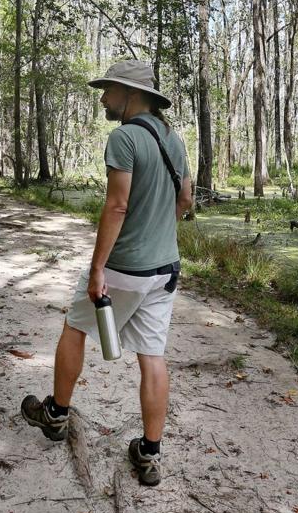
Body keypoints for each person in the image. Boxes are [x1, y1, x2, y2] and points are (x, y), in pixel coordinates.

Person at [21, 59, 193, 486]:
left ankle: (56, 415)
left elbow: (116, 206)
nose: (103, 97)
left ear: (131, 95)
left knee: (74, 327)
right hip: (164, 270)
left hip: (123, 268)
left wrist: (98, 268)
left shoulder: (124, 137)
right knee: (152, 357)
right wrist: (158, 231)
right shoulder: (174, 139)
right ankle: (150, 454)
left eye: (109, 90)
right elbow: (186, 198)